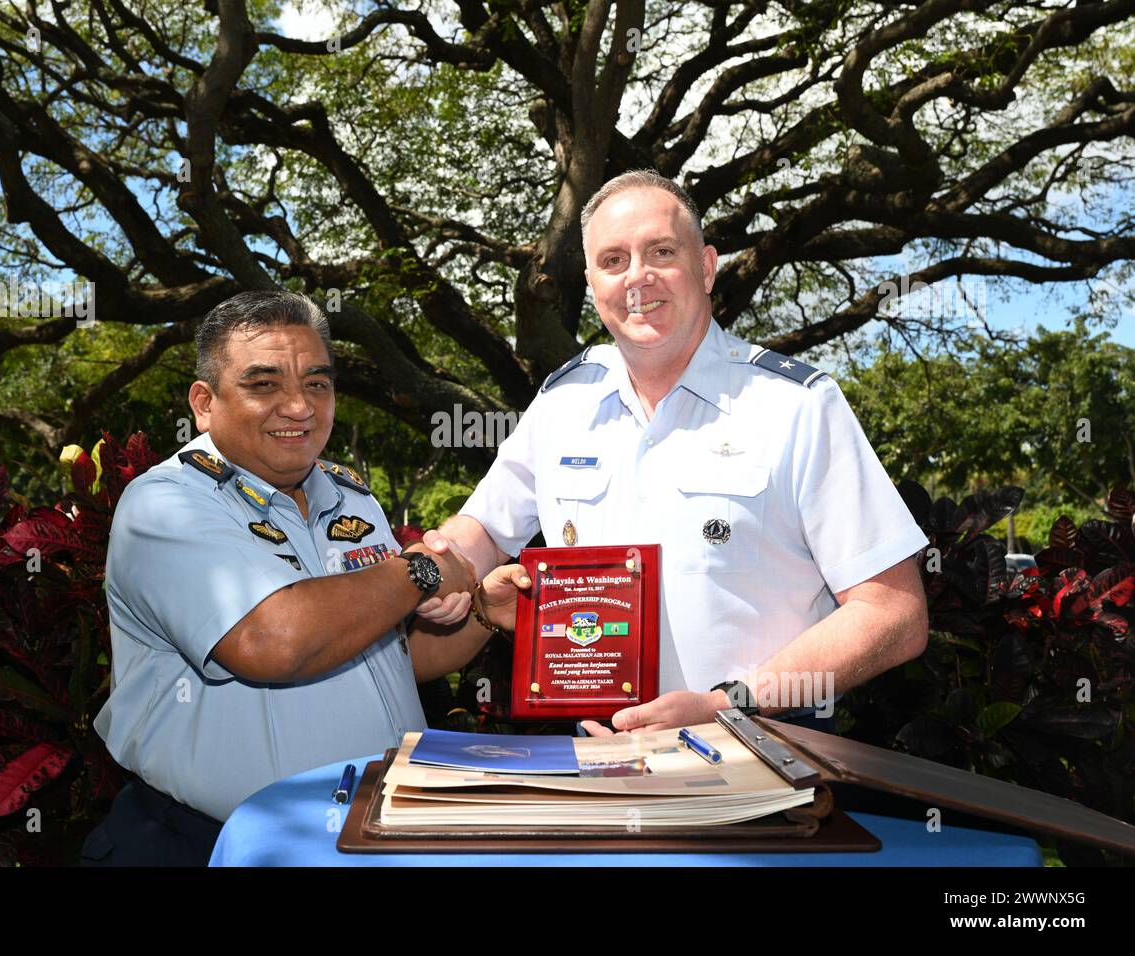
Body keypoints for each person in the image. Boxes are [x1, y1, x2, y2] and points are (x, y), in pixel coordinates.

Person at [418, 170, 930, 737]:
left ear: (707, 267)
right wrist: (446, 568)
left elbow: (893, 614)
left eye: (661, 251)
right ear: (591, 283)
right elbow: (484, 532)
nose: (637, 277)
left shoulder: (796, 406)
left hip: (758, 763)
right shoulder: (563, 403)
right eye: (612, 260)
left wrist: (729, 706)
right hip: (597, 762)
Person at [84, 291, 521, 865]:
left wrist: (488, 613)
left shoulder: (350, 498)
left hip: (370, 837)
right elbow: (274, 642)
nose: (299, 407)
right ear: (204, 402)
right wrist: (419, 569)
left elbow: (389, 659)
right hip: (207, 843)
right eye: (263, 385)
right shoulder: (166, 504)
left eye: (317, 383)